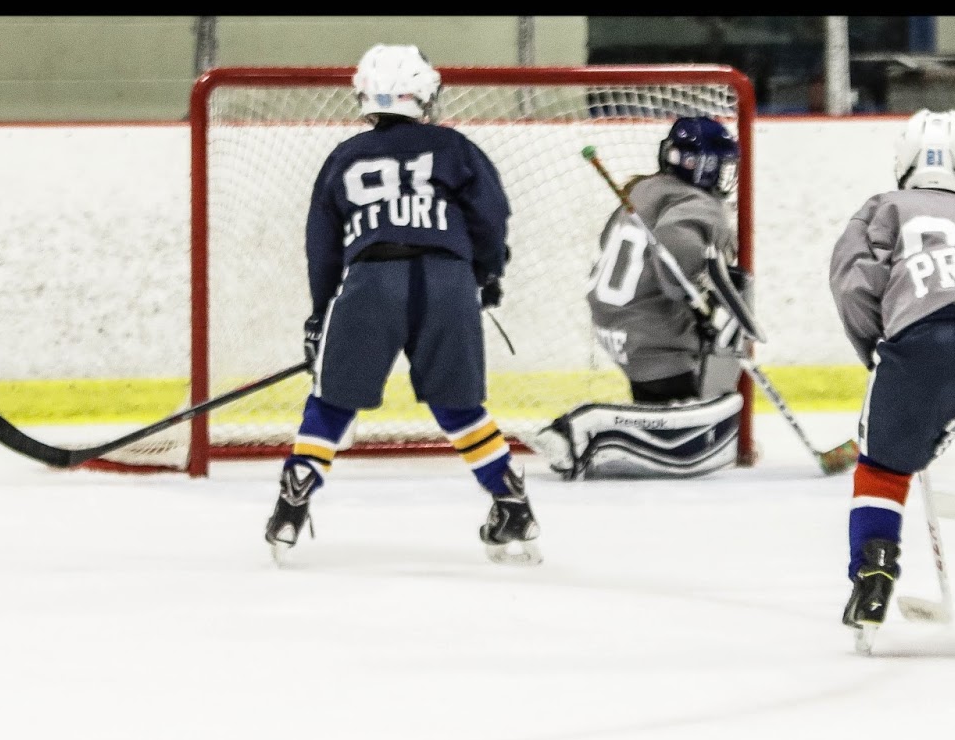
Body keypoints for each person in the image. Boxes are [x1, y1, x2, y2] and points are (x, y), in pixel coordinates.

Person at [264, 44, 541, 565]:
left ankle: (292, 501)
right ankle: (511, 502)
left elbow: (321, 245)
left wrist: (320, 311)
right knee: (459, 406)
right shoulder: (455, 147)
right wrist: (486, 273)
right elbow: (491, 216)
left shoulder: (344, 156)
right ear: (425, 93)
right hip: (448, 281)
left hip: (370, 281)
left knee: (332, 401)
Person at [825, 108, 955, 649]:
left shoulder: (884, 208)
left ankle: (873, 571)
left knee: (881, 470)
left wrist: (881, 352)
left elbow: (853, 286)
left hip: (916, 344)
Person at [529, 117, 751, 480]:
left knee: (659, 404)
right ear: (705, 166)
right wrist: (698, 292)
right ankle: (578, 428)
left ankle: (620, 429)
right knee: (679, 410)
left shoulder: (642, 190)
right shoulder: (701, 204)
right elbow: (676, 243)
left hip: (614, 321)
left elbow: (608, 242)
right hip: (651, 332)